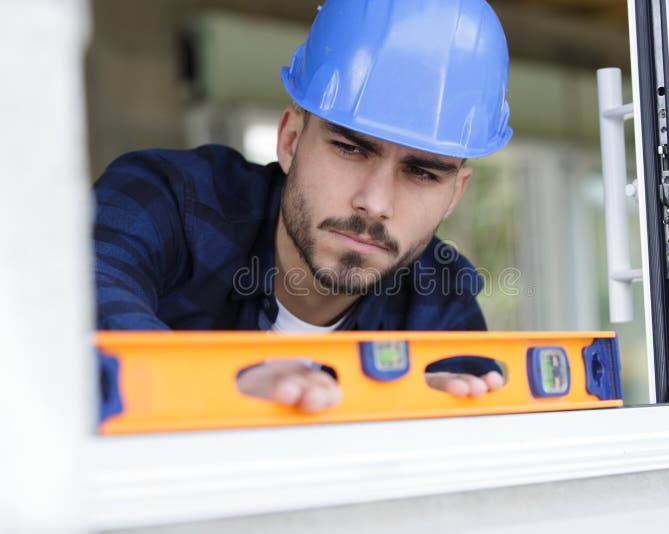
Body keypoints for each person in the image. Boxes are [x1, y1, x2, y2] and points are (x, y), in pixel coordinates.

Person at [94, 0, 513, 413]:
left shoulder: (440, 299)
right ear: (291, 141)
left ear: (454, 195)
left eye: (422, 173)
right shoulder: (168, 198)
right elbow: (78, 299)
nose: (375, 203)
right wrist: (222, 384)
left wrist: (423, 417)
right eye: (349, 149)